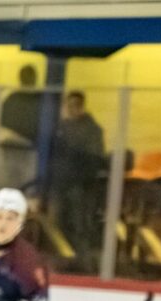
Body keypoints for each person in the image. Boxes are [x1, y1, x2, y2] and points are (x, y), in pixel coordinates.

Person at [49, 91, 105, 271]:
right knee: (60, 225)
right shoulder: (62, 127)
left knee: (80, 226)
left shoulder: (91, 130)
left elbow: (94, 158)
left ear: (81, 107)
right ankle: (65, 262)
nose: (71, 109)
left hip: (80, 185)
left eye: (75, 106)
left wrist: (81, 178)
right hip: (62, 183)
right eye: (69, 106)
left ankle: (82, 265)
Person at [0, 65, 42, 147]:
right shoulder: (12, 99)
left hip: (32, 145)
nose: (28, 79)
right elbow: (2, 122)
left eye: (29, 77)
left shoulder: (41, 99)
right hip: (16, 144)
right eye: (26, 77)